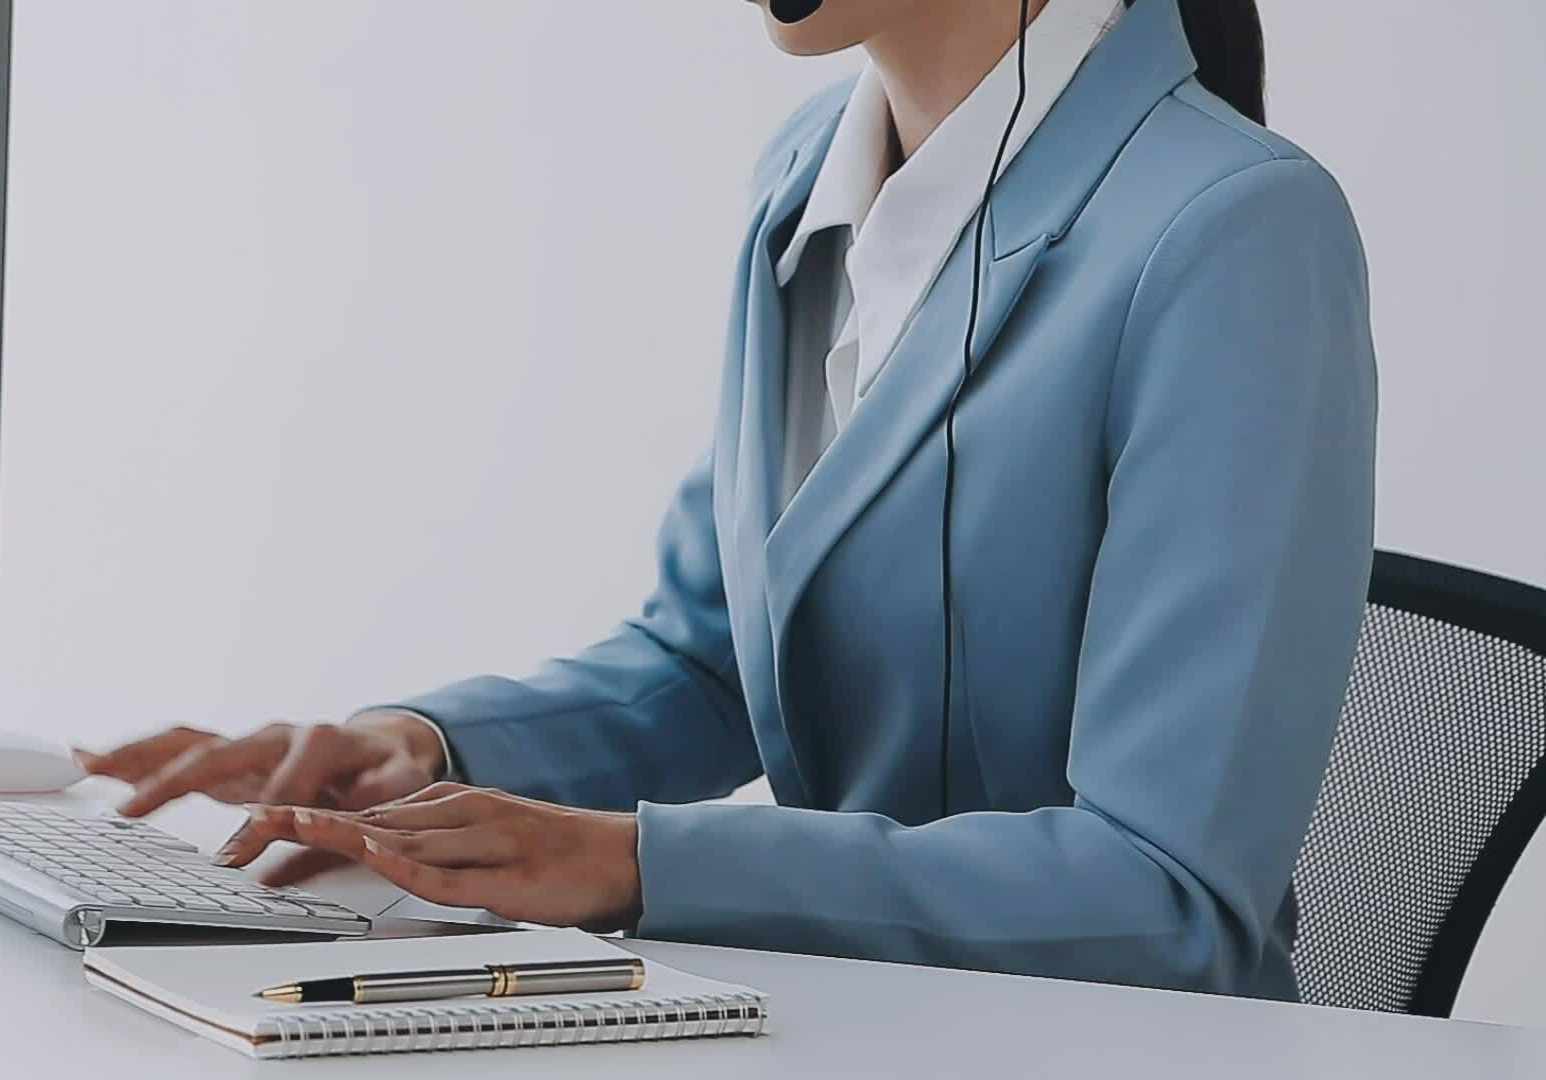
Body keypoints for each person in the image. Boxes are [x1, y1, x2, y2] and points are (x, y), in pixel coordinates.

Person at [78, 0, 1375, 1001]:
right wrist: (427, 751)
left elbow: (1169, 896)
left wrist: (642, 866)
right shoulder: (804, 178)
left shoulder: (1235, 234)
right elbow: (710, 665)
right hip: (844, 1028)